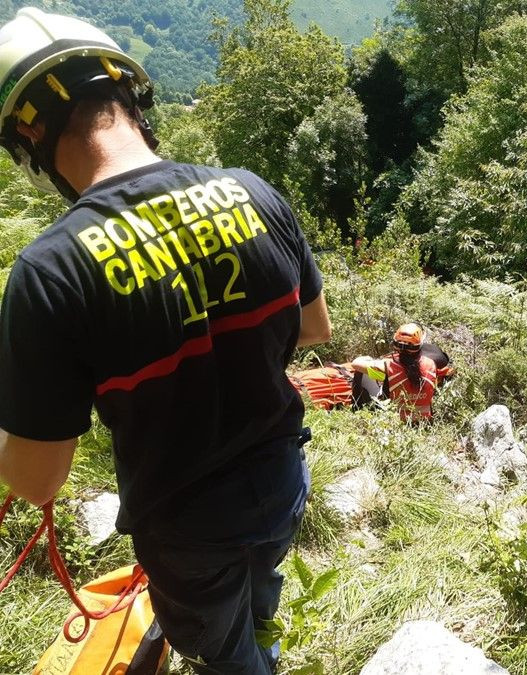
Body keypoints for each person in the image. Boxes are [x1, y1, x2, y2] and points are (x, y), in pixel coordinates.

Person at [0, 8, 331, 674]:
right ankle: (262, 635)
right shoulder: (254, 191)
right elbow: (315, 327)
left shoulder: (52, 269)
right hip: (281, 480)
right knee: (261, 587)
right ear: (128, 93)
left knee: (225, 653)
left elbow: (37, 477)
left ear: (31, 132)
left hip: (187, 531)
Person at [351, 323, 438, 422]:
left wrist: (368, 359)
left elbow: (355, 364)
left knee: (360, 373)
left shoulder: (388, 365)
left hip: (394, 420)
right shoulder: (431, 364)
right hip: (424, 420)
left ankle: (357, 409)